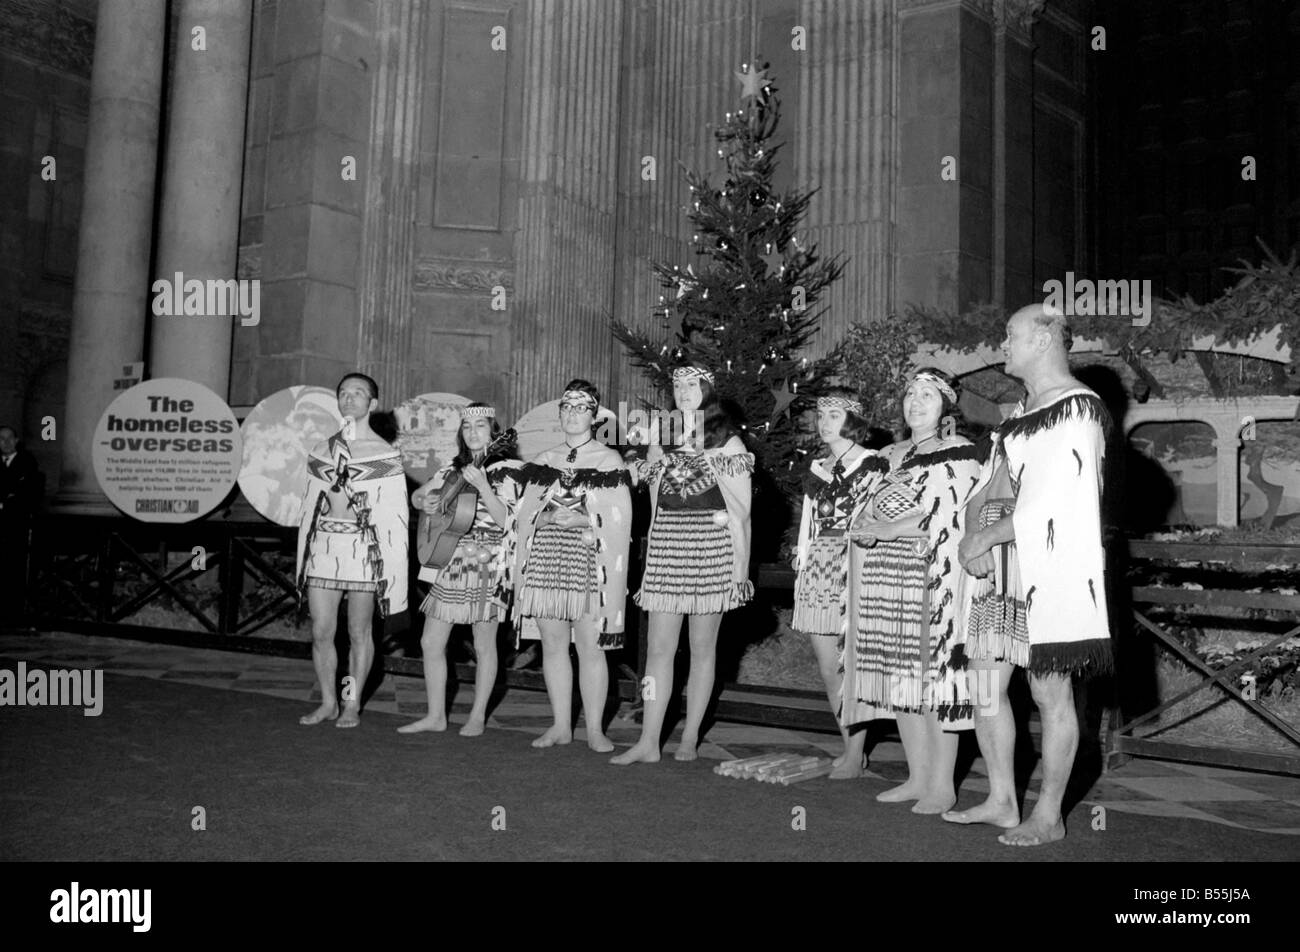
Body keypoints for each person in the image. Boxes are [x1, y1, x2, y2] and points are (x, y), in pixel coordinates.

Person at [946, 303, 1113, 846]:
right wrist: (973, 536)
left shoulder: (1078, 408)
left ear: (1043, 340)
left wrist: (985, 537)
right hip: (999, 562)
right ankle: (1001, 799)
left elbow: (1060, 502)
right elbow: (990, 483)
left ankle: (1049, 814)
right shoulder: (1020, 411)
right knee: (986, 686)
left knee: (1049, 691)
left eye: (1012, 335)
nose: (1004, 343)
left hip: (1049, 564)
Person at [845, 368, 982, 813]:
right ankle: (917, 776)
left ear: (946, 405)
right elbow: (867, 505)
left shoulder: (957, 451)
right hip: (886, 573)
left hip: (930, 575)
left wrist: (884, 529)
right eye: (910, 394)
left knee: (933, 679)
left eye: (927, 394)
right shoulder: (889, 453)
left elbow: (948, 516)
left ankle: (943, 784)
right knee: (901, 679)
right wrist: (864, 527)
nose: (916, 402)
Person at [611, 364, 754, 765]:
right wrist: (636, 463)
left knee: (702, 648)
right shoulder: (664, 434)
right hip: (668, 546)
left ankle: (690, 736)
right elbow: (649, 486)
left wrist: (737, 569)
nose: (683, 390)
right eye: (677, 384)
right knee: (658, 649)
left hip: (711, 548)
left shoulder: (729, 441)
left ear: (707, 389)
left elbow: (740, 508)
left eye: (692, 384)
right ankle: (649, 739)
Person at [509, 379, 632, 751]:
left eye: (581, 408)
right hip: (548, 557)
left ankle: (594, 728)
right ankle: (561, 724)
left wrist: (584, 520)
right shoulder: (544, 459)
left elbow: (621, 516)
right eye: (567, 408)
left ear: (594, 417)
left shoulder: (609, 460)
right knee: (553, 644)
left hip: (589, 559)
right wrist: (542, 519)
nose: (573, 414)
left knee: (592, 646)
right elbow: (523, 513)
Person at [399, 404, 519, 737]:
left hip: (488, 560)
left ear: (494, 431)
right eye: (466, 427)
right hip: (451, 558)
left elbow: (509, 520)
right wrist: (425, 501)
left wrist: (483, 487)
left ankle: (478, 715)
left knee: (484, 643)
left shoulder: (509, 468)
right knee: (430, 641)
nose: (473, 432)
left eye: (480, 425)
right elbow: (419, 498)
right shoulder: (452, 468)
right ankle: (436, 715)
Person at [296, 373, 409, 728]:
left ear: (372, 404)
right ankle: (328, 701)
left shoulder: (385, 455)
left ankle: (351, 703)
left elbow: (394, 517)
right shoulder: (322, 449)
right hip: (325, 545)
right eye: (344, 393)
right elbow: (308, 505)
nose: (349, 398)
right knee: (321, 630)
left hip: (364, 549)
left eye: (358, 393)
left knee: (360, 632)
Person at [789, 390, 887, 778]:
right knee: (829, 668)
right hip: (818, 565)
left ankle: (855, 751)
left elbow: (872, 519)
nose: (824, 421)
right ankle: (850, 745)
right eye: (820, 414)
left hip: (854, 563)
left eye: (834, 414)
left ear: (852, 420)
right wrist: (802, 562)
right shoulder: (816, 466)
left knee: (852, 665)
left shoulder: (872, 463)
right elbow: (808, 522)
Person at [0, 425, 43, 622]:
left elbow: (26, 491)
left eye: (10, 438)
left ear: (17, 441)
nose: (6, 443)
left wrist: (10, 497)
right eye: (1, 439)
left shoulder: (26, 461)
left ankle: (14, 610)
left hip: (17, 523)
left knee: (14, 566)